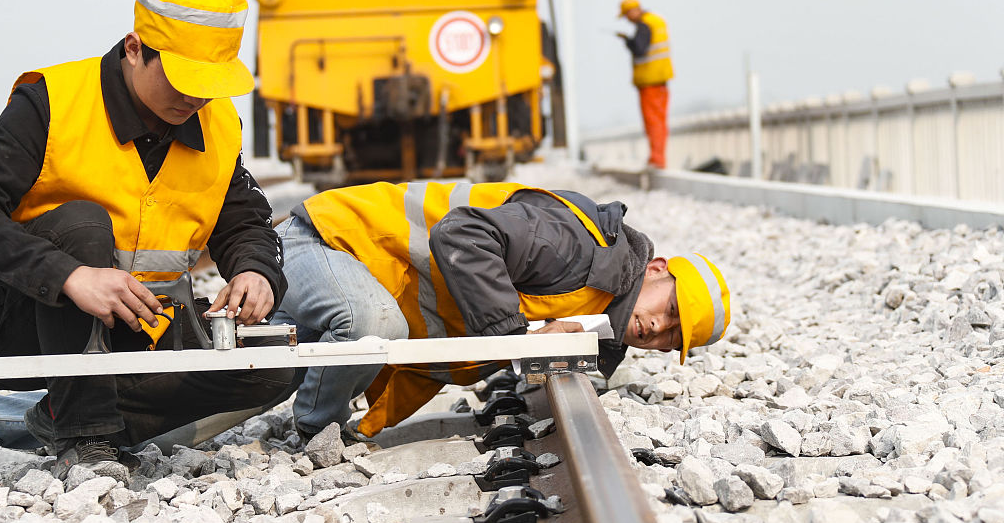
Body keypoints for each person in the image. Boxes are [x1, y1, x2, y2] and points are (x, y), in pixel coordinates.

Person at [0, 0, 292, 482]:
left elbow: (244, 221)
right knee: (82, 223)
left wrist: (256, 272)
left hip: (136, 329)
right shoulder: (53, 102)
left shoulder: (218, 124)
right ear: (135, 49)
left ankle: (44, 421)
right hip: (11, 326)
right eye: (184, 81)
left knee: (273, 367)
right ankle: (86, 440)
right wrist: (69, 276)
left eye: (210, 86)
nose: (196, 100)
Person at [269, 180, 731, 441]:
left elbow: (445, 352)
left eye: (673, 336)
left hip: (356, 279)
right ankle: (313, 435)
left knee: (253, 378)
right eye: (669, 307)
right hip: (329, 240)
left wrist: (373, 422)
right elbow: (460, 233)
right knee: (371, 324)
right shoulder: (575, 248)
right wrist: (517, 338)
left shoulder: (591, 315)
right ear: (655, 268)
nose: (656, 326)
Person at [615, 0, 674, 169]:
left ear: (633, 11)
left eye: (627, 15)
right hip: (661, 79)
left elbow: (640, 50)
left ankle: (657, 159)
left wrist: (627, 41)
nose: (627, 19)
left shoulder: (644, 25)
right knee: (660, 121)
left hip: (650, 81)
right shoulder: (657, 20)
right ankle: (658, 158)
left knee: (653, 121)